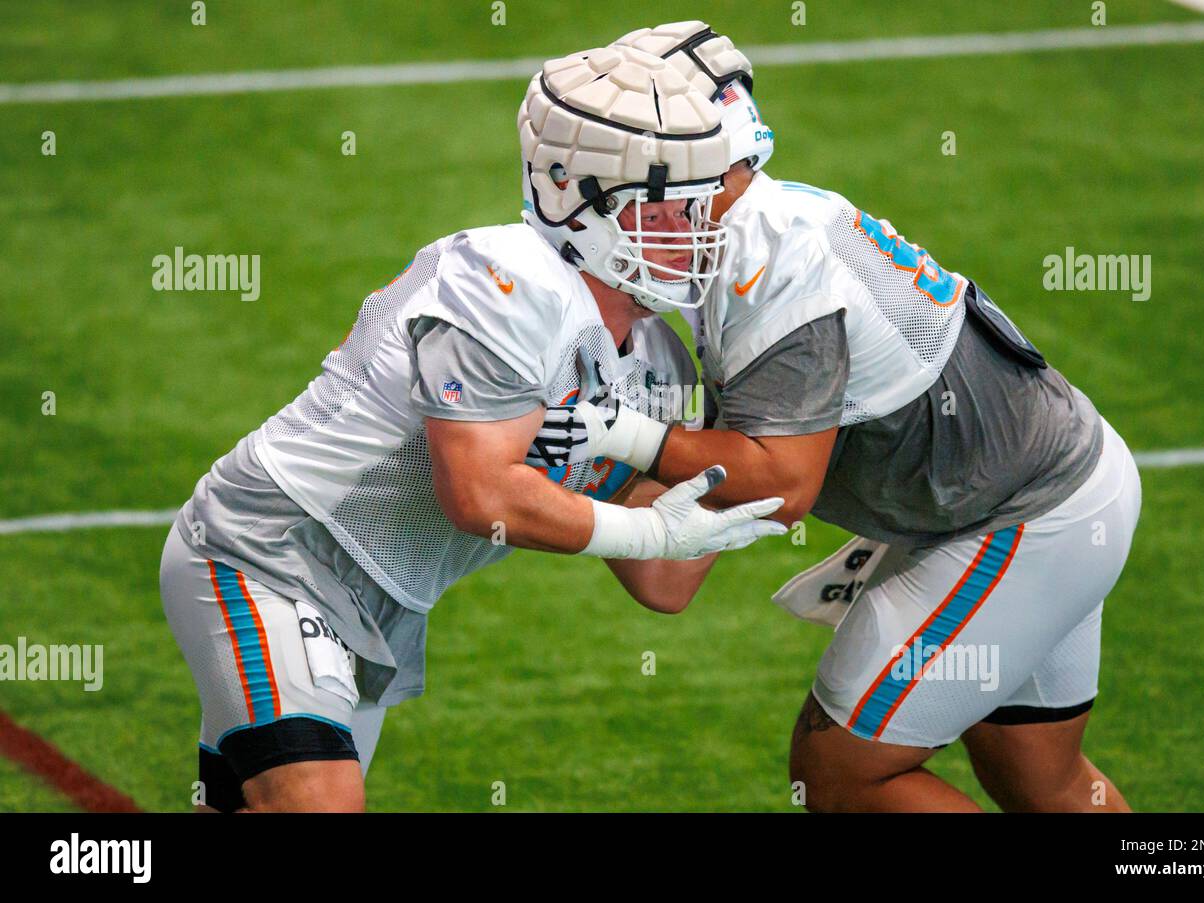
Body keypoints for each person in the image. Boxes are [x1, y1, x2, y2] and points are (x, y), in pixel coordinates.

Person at [527, 22, 1142, 813]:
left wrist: (618, 433)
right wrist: (588, 473)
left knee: (843, 774)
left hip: (1022, 521)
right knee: (1047, 780)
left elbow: (780, 487)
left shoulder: (768, 266)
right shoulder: (759, 231)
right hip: (1046, 488)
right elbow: (670, 575)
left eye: (613, 177)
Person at [160, 44, 786, 812]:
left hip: (381, 602)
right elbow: (480, 494)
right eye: (665, 210)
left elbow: (666, 582)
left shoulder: (659, 364)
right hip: (271, 554)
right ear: (581, 203)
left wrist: (781, 436)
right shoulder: (509, 281)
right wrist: (650, 532)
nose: (695, 232)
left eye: (696, 208)